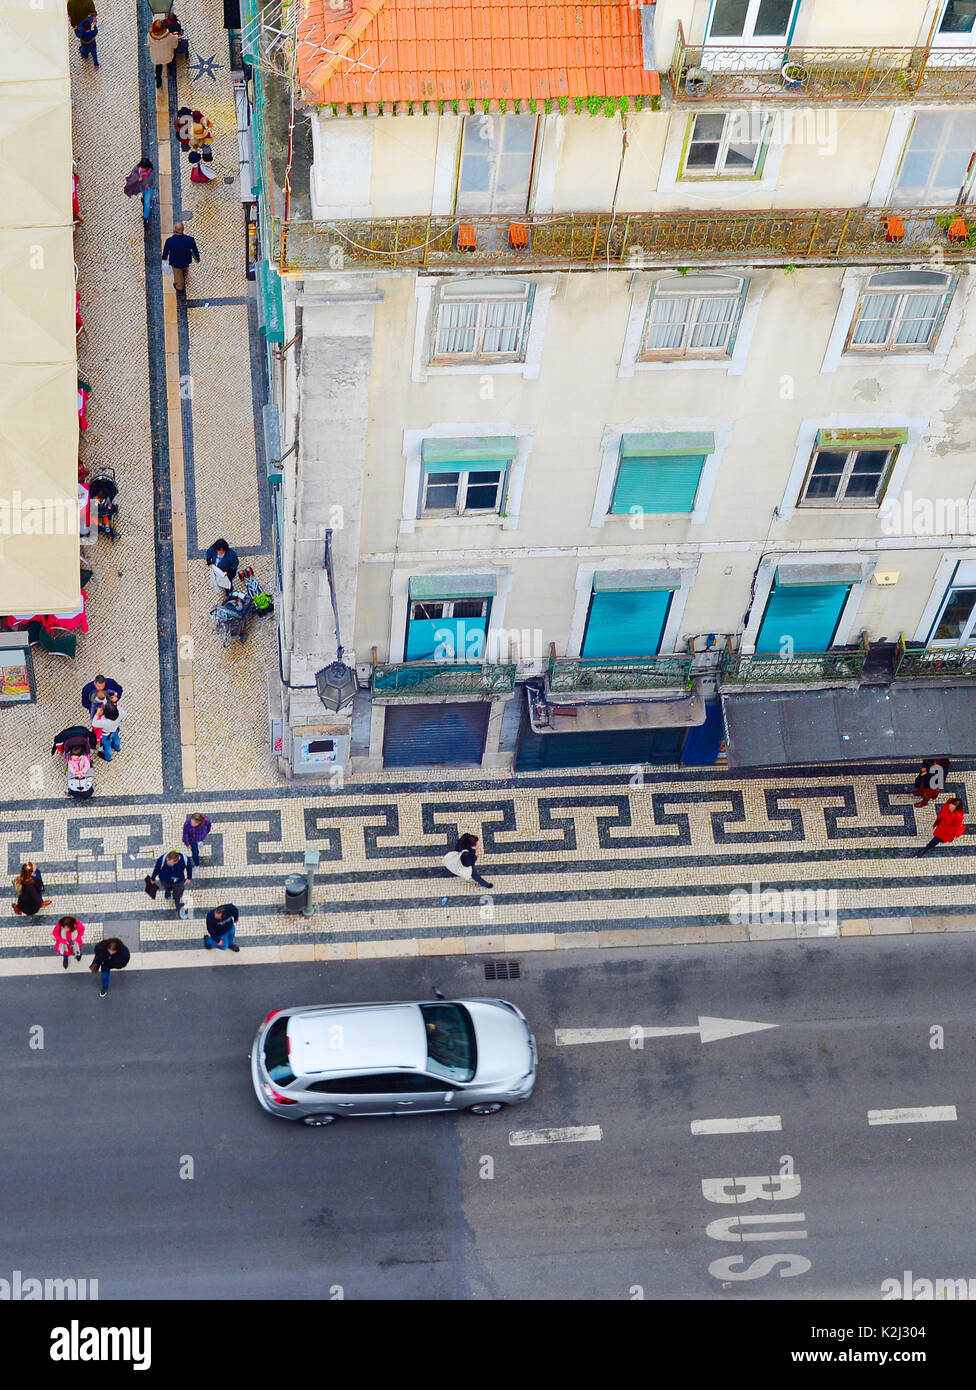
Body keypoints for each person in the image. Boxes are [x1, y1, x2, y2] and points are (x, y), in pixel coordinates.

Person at [161, 222, 200, 294]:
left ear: (175, 230)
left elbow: (165, 254)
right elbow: (195, 251)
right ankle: (185, 272)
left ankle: (179, 288)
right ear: (183, 229)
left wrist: (164, 262)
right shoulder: (190, 239)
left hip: (176, 264)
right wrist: (197, 259)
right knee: (185, 269)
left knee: (179, 280)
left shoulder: (169, 241)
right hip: (186, 261)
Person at [148, 17, 179, 88]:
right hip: (168, 57)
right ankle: (172, 73)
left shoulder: (150, 36)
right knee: (171, 62)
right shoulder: (169, 37)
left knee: (158, 69)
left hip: (156, 58)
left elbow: (149, 44)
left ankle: (158, 83)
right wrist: (176, 35)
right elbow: (175, 45)